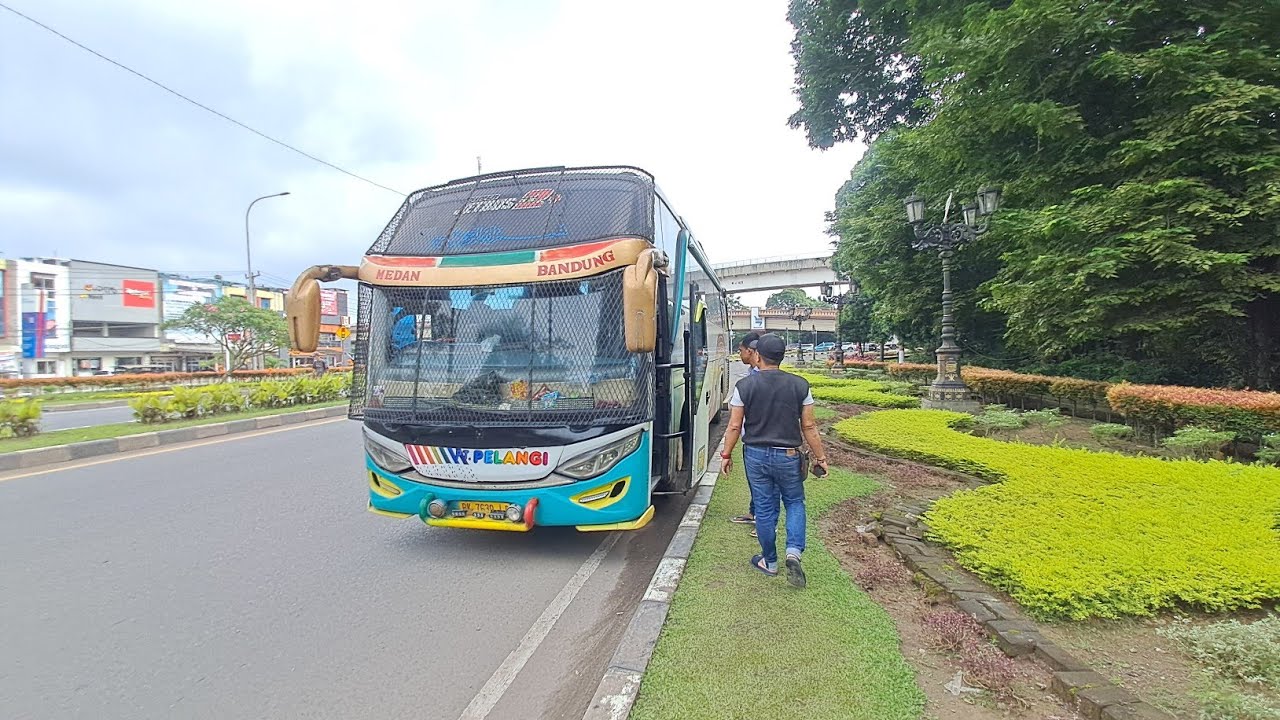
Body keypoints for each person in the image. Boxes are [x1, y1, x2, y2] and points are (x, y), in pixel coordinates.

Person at [720, 333, 829, 589]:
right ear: (782, 356)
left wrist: (726, 455)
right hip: (789, 455)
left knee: (765, 508)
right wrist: (821, 457)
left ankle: (770, 562)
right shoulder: (800, 385)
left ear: (757, 355)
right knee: (794, 502)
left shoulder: (744, 387)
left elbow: (735, 426)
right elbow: (809, 426)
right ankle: (793, 552)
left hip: (756, 456)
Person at [729, 332, 761, 527]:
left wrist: (726, 453)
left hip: (757, 437)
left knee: (761, 484)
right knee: (754, 481)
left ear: (751, 351)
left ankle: (762, 521)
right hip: (750, 436)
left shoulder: (759, 377)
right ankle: (754, 512)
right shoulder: (752, 373)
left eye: (741, 351)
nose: (739, 354)